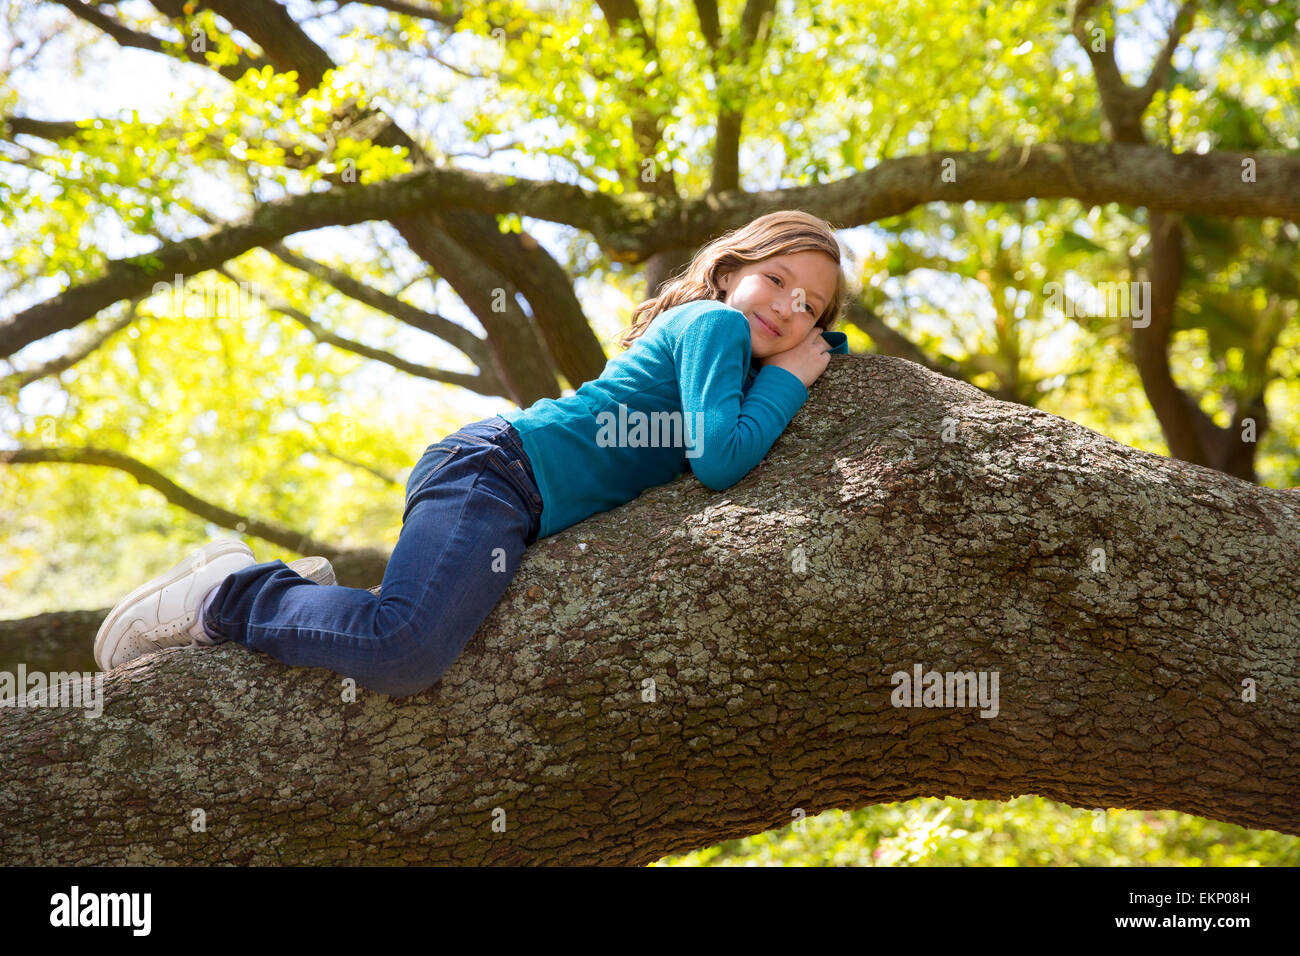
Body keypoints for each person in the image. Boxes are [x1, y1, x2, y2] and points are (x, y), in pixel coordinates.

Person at [93, 209, 850, 697]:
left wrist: (811, 360)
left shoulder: (718, 361)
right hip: (497, 470)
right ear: (728, 271)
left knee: (412, 645)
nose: (788, 306)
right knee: (405, 648)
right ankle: (232, 593)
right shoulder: (712, 327)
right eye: (776, 278)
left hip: (511, 493)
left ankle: (299, 592)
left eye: (809, 306)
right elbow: (720, 461)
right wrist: (788, 376)